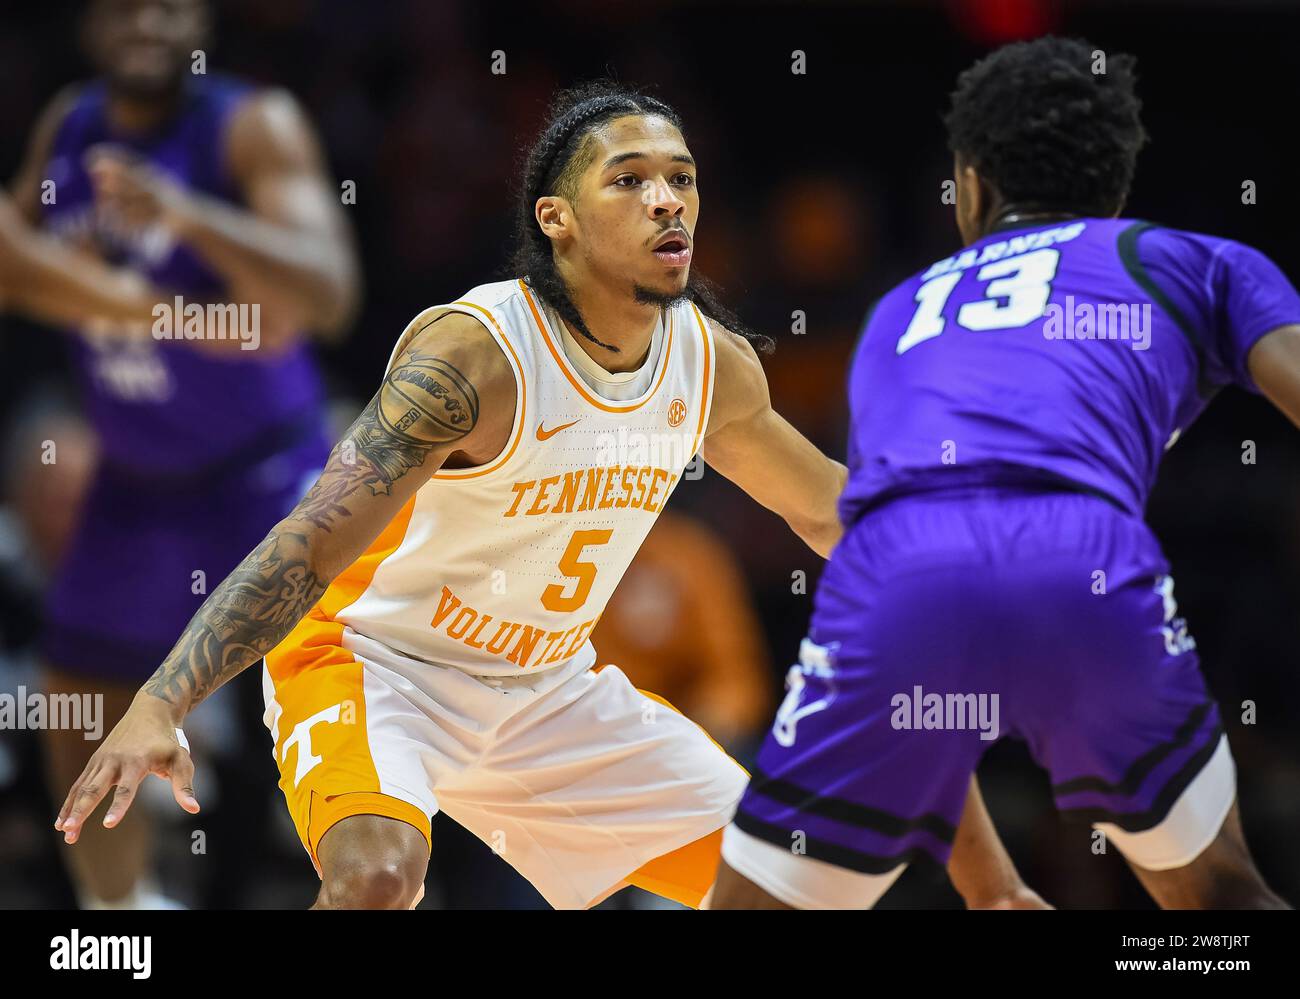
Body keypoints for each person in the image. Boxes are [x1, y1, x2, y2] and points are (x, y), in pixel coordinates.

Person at [56, 81, 1038, 910]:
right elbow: (312, 541)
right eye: (632, 181)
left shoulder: (711, 366)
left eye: (682, 180)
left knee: (795, 884)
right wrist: (161, 699)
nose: (668, 203)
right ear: (555, 219)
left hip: (548, 685)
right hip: (375, 661)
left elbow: (832, 513)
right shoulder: (475, 358)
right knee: (376, 880)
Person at [713, 36, 1297, 910]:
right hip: (1084, 556)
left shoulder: (899, 315)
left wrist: (990, 889)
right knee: (1219, 902)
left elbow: (928, 668)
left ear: (971, 186)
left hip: (897, 575)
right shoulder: (1189, 259)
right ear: (1116, 191)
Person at [4, 0, 359, 908]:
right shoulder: (72, 124)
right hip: (135, 481)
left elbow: (325, 294)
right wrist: (150, 309)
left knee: (325, 702)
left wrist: (188, 215)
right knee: (76, 698)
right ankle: (122, 920)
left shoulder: (249, 124)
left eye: (167, 8)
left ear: (199, 22)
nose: (146, 27)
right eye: (124, 9)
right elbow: (11, 264)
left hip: (264, 475)